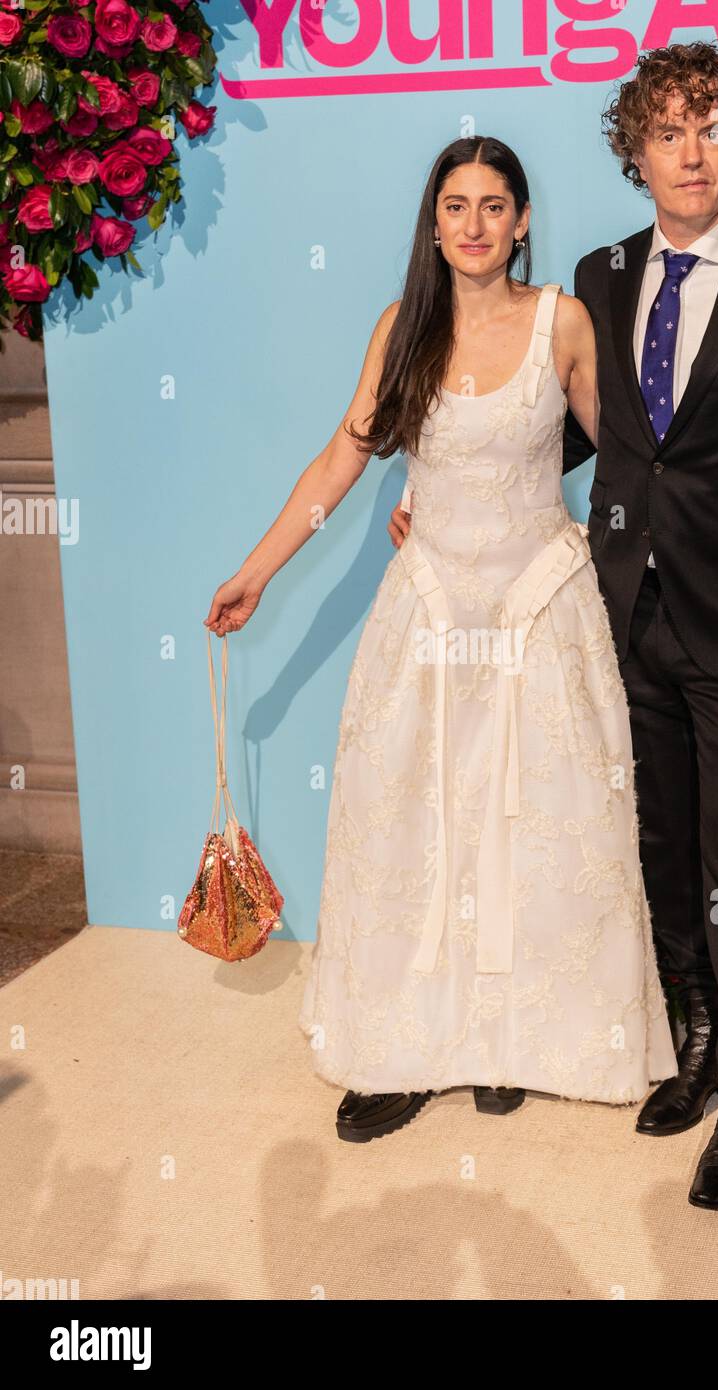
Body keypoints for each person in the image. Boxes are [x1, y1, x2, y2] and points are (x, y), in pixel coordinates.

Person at [390, 42, 718, 1209]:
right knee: (654, 844)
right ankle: (698, 1038)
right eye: (667, 131)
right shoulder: (598, 276)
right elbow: (594, 429)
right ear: (635, 151)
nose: (691, 151)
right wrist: (461, 477)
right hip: (616, 612)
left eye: (712, 128)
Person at [205, 135, 679, 1145]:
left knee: (537, 824)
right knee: (409, 826)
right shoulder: (402, 328)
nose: (474, 224)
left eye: (494, 204)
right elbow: (343, 456)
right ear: (433, 223)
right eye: (455, 205)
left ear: (520, 220)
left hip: (539, 611)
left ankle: (509, 1041)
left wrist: (660, 570)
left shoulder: (563, 321)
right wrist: (257, 568)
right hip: (424, 613)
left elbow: (624, 462)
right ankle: (403, 1051)